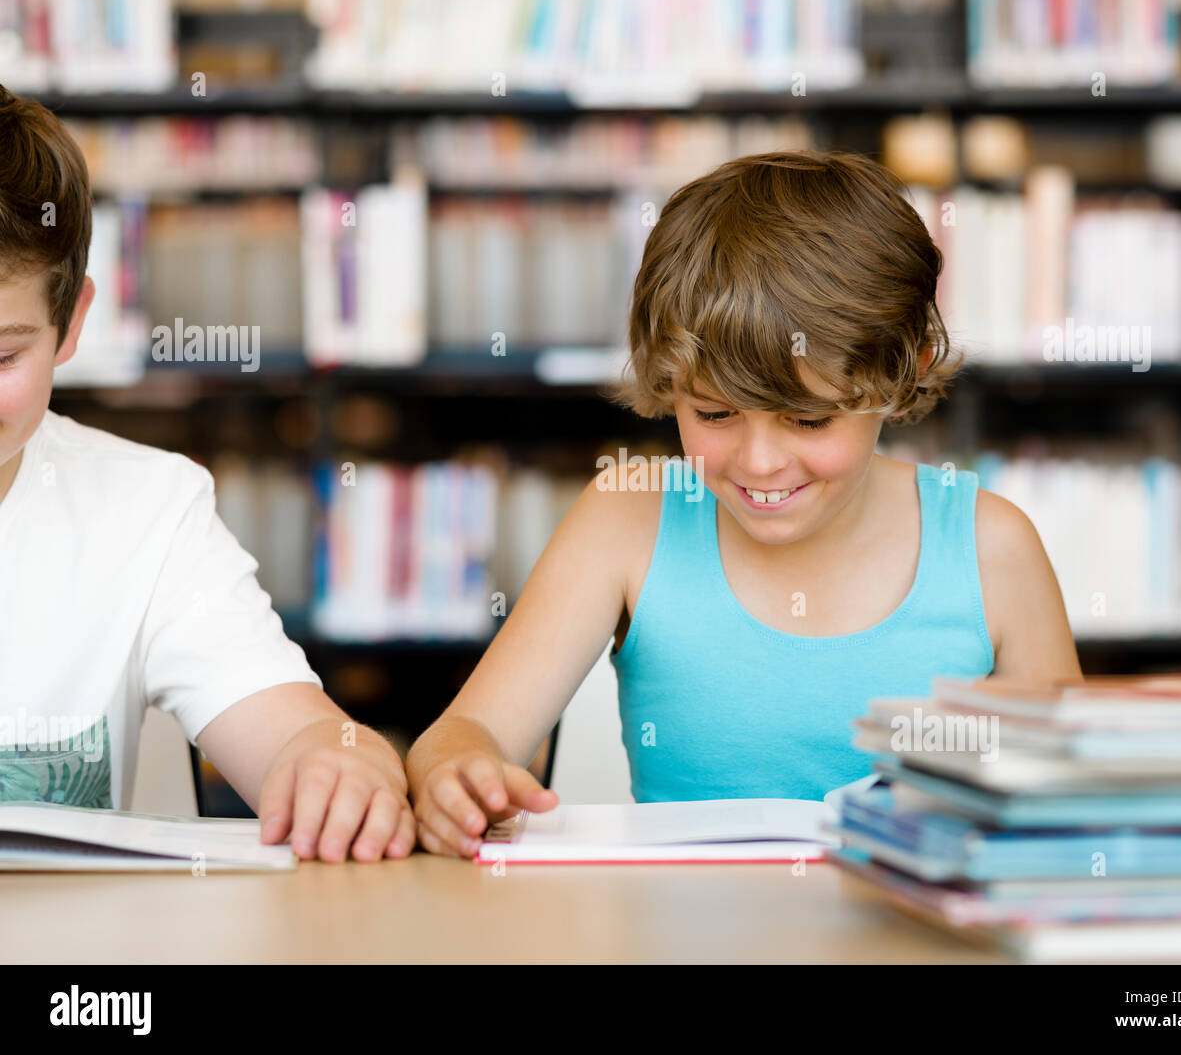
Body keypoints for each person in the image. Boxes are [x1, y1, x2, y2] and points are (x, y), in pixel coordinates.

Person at [406, 150, 1082, 857]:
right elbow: (460, 736)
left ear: (896, 374)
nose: (758, 463)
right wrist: (457, 776)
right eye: (715, 414)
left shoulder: (990, 548)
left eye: (808, 420)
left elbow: (1072, 807)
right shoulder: (627, 519)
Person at [0, 84, 414, 863]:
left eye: (1, 355)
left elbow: (304, 732)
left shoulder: (149, 512)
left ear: (72, 323)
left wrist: (339, 770)